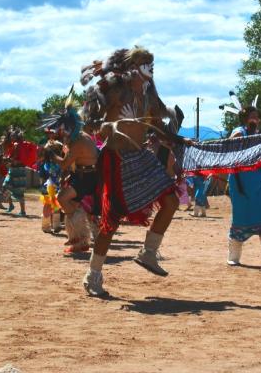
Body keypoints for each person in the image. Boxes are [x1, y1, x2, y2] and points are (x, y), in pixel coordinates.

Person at [80, 46, 191, 296]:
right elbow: (89, 120)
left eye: (152, 64)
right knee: (111, 221)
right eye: (146, 63)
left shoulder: (149, 93)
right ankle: (93, 275)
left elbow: (157, 123)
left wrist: (178, 138)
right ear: (133, 66)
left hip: (140, 156)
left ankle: (148, 252)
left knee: (171, 200)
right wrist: (105, 125)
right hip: (116, 158)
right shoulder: (116, 88)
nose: (150, 68)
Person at [41, 92, 98, 254]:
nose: (62, 133)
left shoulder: (79, 141)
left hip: (87, 177)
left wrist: (52, 154)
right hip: (81, 175)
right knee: (69, 203)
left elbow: (65, 164)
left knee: (62, 199)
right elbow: (68, 161)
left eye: (63, 130)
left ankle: (79, 237)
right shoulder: (78, 138)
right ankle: (80, 239)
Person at [225, 102, 261, 268]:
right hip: (241, 182)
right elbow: (230, 143)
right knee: (241, 216)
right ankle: (233, 257)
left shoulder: (259, 134)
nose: (255, 119)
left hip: (258, 182)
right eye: (252, 116)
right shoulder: (238, 131)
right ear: (245, 118)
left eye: (257, 116)